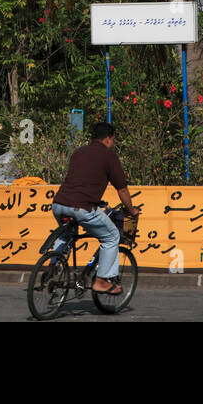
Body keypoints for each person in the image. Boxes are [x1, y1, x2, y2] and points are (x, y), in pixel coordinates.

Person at [51, 121, 139, 295]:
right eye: (113, 140)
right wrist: (131, 210)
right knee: (112, 236)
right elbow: (122, 189)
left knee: (66, 233)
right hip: (81, 207)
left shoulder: (79, 152)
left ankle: (53, 266)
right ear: (108, 139)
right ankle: (101, 281)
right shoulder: (108, 156)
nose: (112, 144)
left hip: (58, 204)